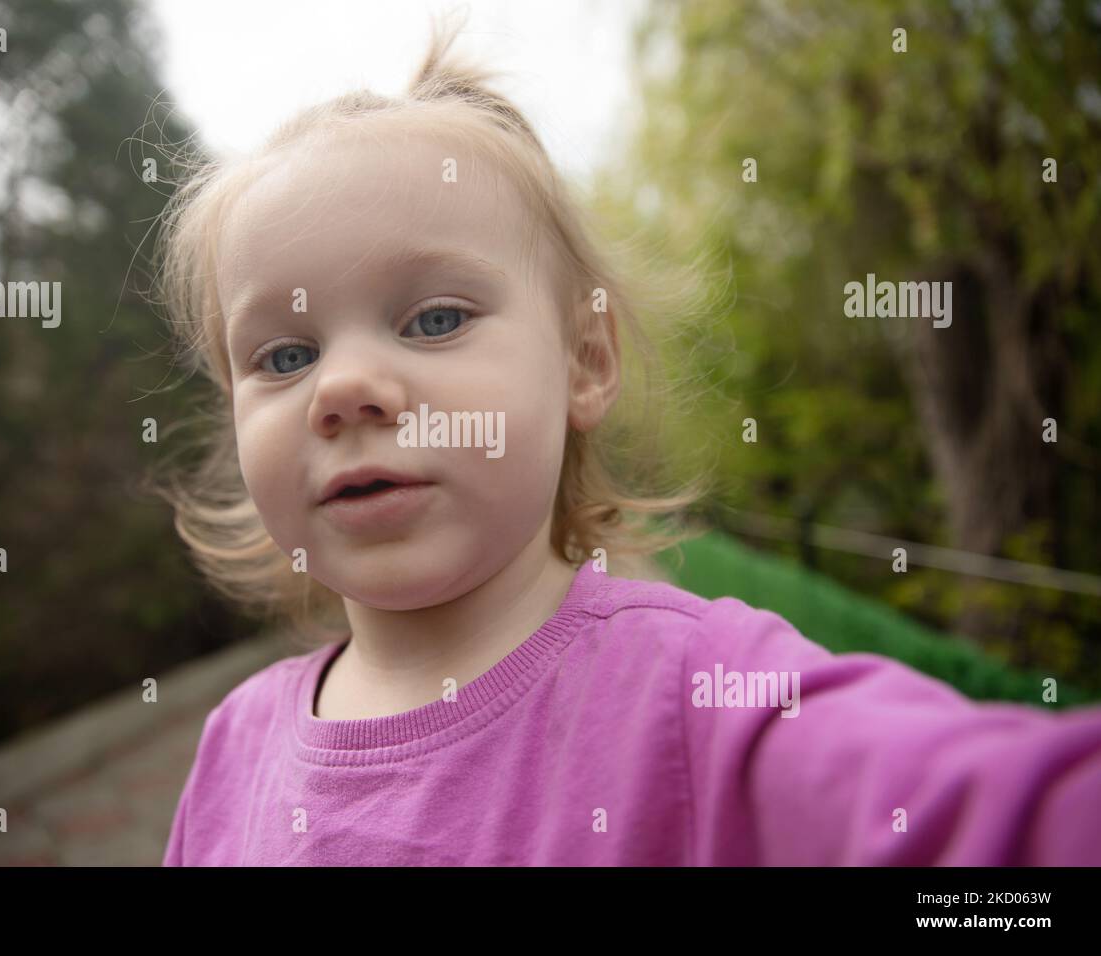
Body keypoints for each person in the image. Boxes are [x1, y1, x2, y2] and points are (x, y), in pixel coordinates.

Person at [153, 16, 1101, 866]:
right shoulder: (234, 746)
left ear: (585, 362)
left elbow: (992, 814)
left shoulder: (700, 694)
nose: (343, 387)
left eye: (435, 320)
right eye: (283, 353)